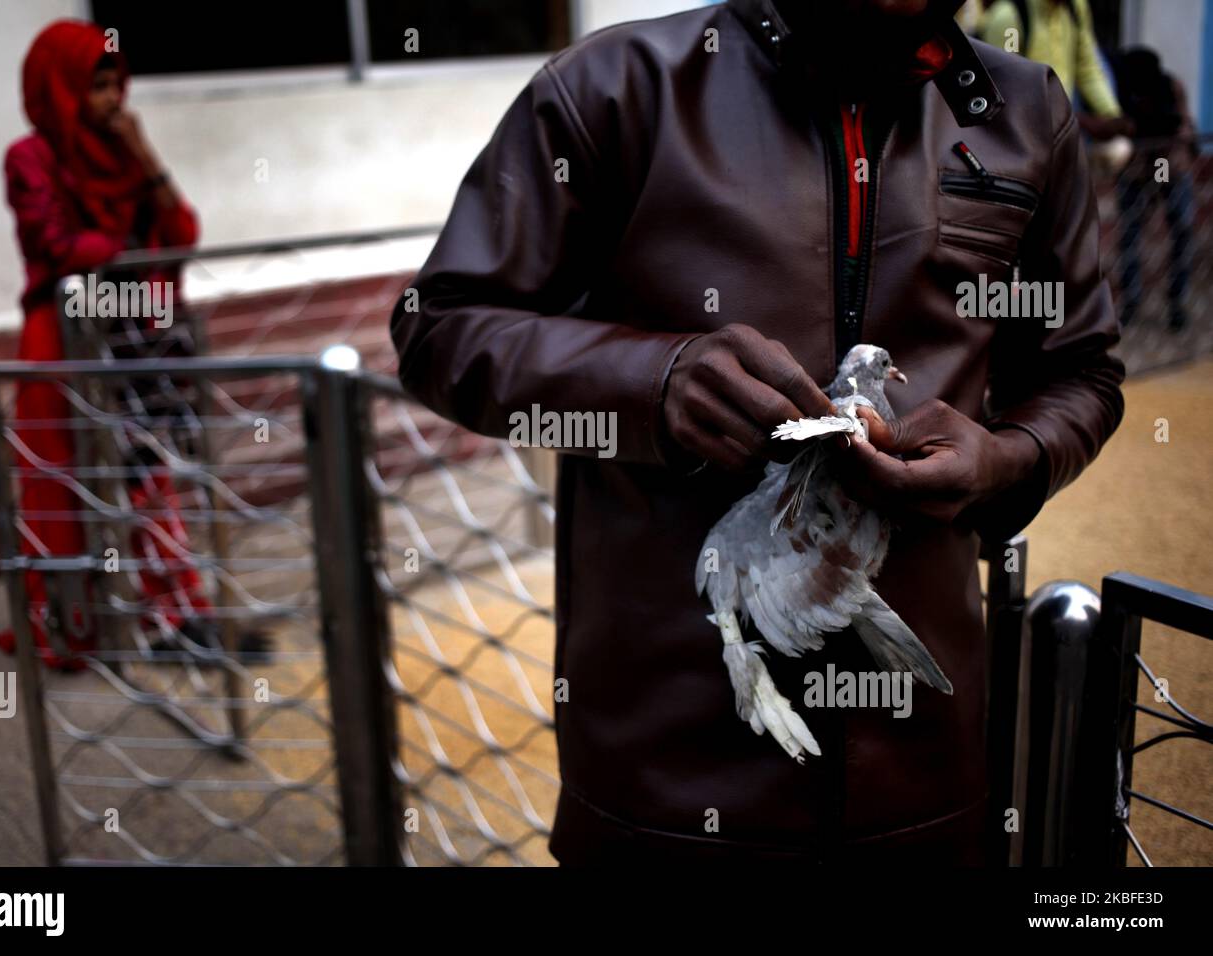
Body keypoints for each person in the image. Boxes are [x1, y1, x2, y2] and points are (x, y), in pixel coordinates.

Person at [391, 0, 1124, 864]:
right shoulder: (614, 87)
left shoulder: (1024, 111)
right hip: (662, 784)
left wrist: (1011, 459)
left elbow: (1082, 371)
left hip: (929, 778)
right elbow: (438, 326)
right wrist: (653, 384)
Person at [0, 20, 204, 669]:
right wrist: (134, 259)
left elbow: (184, 230)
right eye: (96, 87)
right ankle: (72, 624)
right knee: (66, 483)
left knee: (145, 477)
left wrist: (146, 161)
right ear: (58, 90)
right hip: (62, 341)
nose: (113, 101)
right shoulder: (29, 157)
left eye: (117, 84)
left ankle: (172, 613)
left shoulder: (122, 156)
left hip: (129, 338)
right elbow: (55, 246)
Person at [1110, 46, 1197, 331]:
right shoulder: (1123, 93)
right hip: (1137, 170)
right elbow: (1118, 132)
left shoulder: (1171, 87)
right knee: (1130, 235)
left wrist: (1175, 143)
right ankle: (1131, 301)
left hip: (1169, 166)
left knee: (1182, 231)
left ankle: (1176, 302)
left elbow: (1185, 127)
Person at [979, 0, 1131, 140]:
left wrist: (1112, 116)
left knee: (1118, 147)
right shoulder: (1008, 17)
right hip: (1024, 131)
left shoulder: (1075, 6)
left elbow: (1087, 68)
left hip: (1065, 120)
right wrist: (1079, 121)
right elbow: (1008, 93)